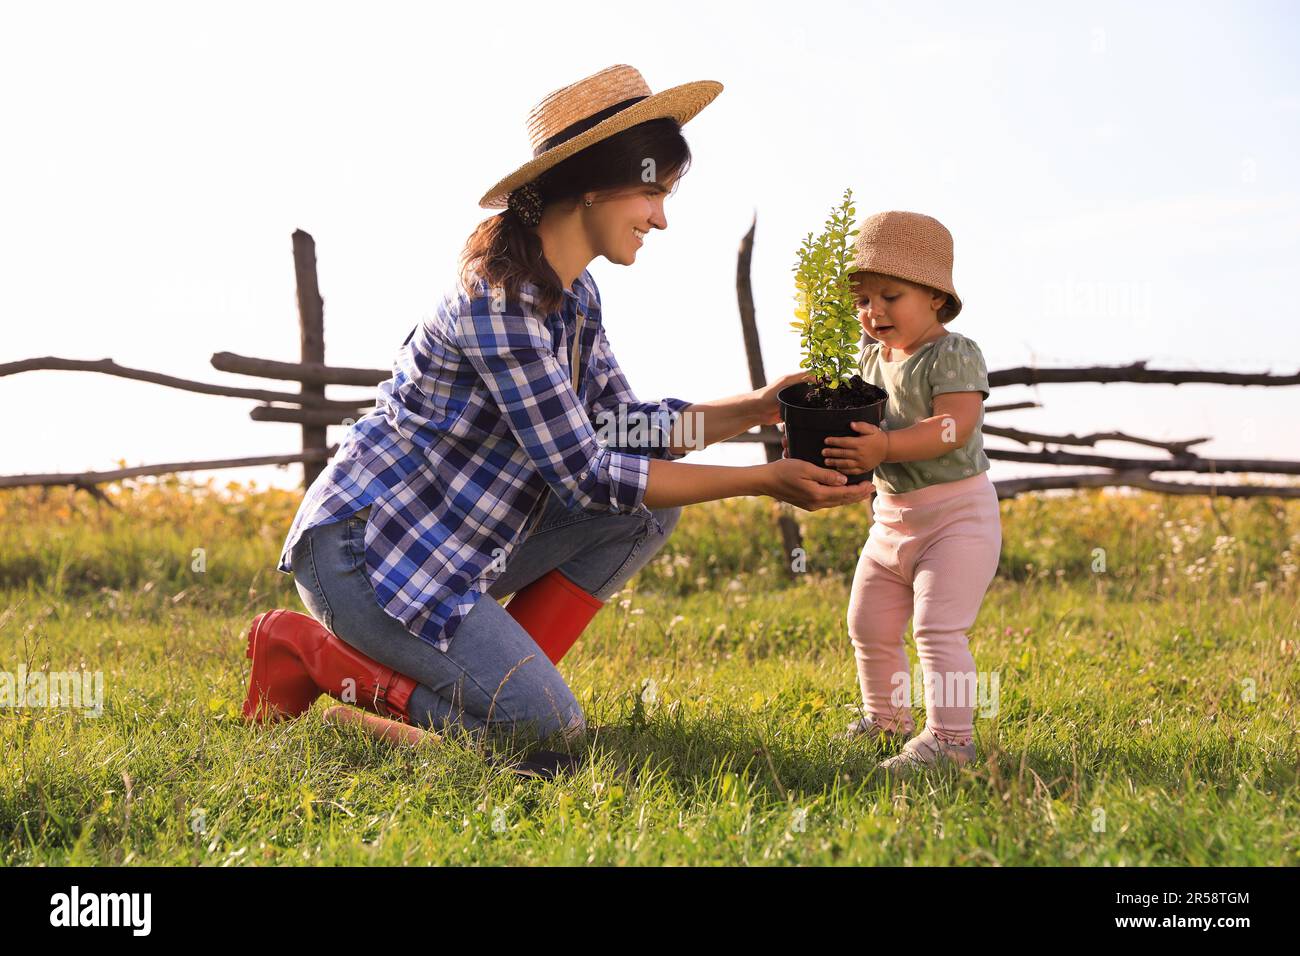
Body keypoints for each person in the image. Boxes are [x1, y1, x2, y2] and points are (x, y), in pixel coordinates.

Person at [240, 64, 875, 754]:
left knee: (649, 509)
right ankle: (318, 659)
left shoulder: (575, 296)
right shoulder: (498, 301)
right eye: (652, 192)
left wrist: (755, 409)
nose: (662, 218)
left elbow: (624, 430)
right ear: (593, 184)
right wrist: (761, 480)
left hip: (460, 549)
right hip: (371, 556)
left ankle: (496, 693)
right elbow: (591, 476)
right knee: (548, 740)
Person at [817, 210, 1001, 775]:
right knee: (867, 623)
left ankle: (951, 741)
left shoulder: (953, 353)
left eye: (889, 296)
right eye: (863, 301)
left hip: (956, 520)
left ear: (936, 298)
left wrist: (884, 450)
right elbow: (858, 418)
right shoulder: (874, 357)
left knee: (936, 628)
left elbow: (954, 427)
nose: (873, 313)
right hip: (891, 521)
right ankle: (887, 718)